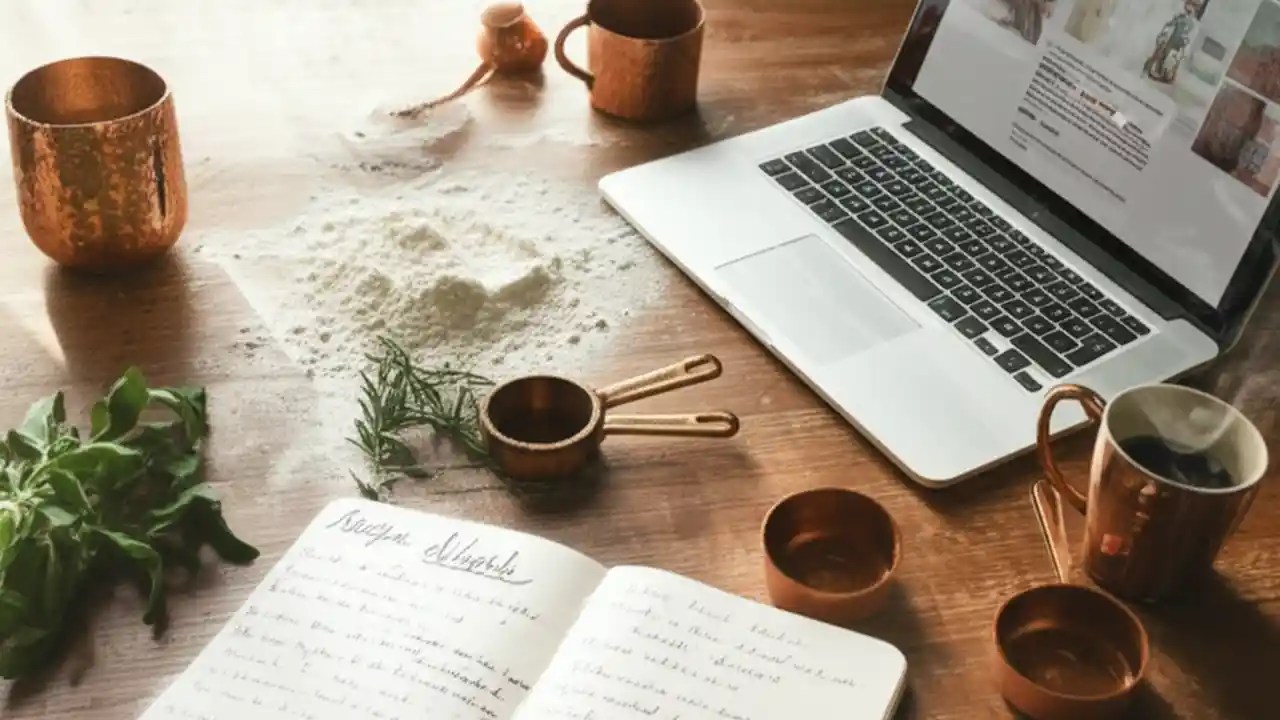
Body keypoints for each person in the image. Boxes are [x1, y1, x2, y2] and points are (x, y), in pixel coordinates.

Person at [1143, 0, 1206, 83]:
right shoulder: (1180, 17)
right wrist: (1164, 35)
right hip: (1171, 40)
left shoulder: (1192, 23)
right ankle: (1151, 69)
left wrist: (1185, 44)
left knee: (1172, 60)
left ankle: (1166, 75)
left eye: (1191, 6)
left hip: (1179, 44)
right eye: (1188, 4)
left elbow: (1189, 36)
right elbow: (1170, 25)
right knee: (1161, 53)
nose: (1188, 7)